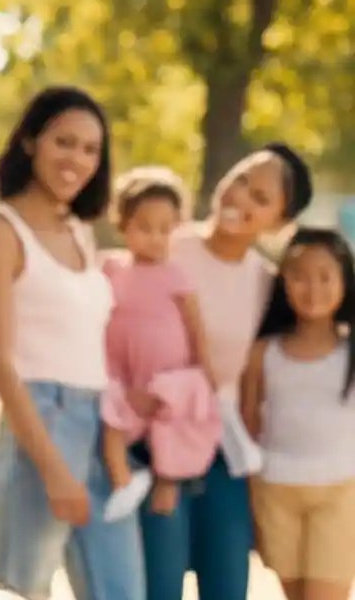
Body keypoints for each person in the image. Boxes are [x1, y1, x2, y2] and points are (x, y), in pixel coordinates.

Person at [0, 86, 145, 600]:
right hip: (41, 423)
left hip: (101, 428)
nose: (77, 159)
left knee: (121, 591)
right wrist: (52, 467)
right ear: (29, 142)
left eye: (90, 149)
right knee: (23, 591)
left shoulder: (80, 229)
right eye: (64, 142)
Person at [137, 142, 313, 600]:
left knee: (227, 586)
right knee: (160, 585)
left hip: (223, 450)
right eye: (240, 180)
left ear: (279, 221)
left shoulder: (270, 286)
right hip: (153, 443)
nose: (240, 197)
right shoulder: (166, 245)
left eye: (261, 198)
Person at [97, 166, 221, 523]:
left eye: (165, 229)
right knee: (113, 420)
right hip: (124, 374)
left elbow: (195, 326)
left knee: (171, 425)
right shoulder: (112, 268)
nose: (155, 238)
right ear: (123, 225)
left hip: (168, 375)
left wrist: (205, 368)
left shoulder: (176, 275)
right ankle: (123, 482)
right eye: (144, 227)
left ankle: (168, 481)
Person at [241, 228, 355, 600]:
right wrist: (253, 503)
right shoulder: (263, 352)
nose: (313, 288)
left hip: (340, 493)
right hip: (276, 493)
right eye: (300, 276)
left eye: (325, 277)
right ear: (283, 282)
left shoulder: (350, 350)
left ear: (344, 282)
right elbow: (248, 428)